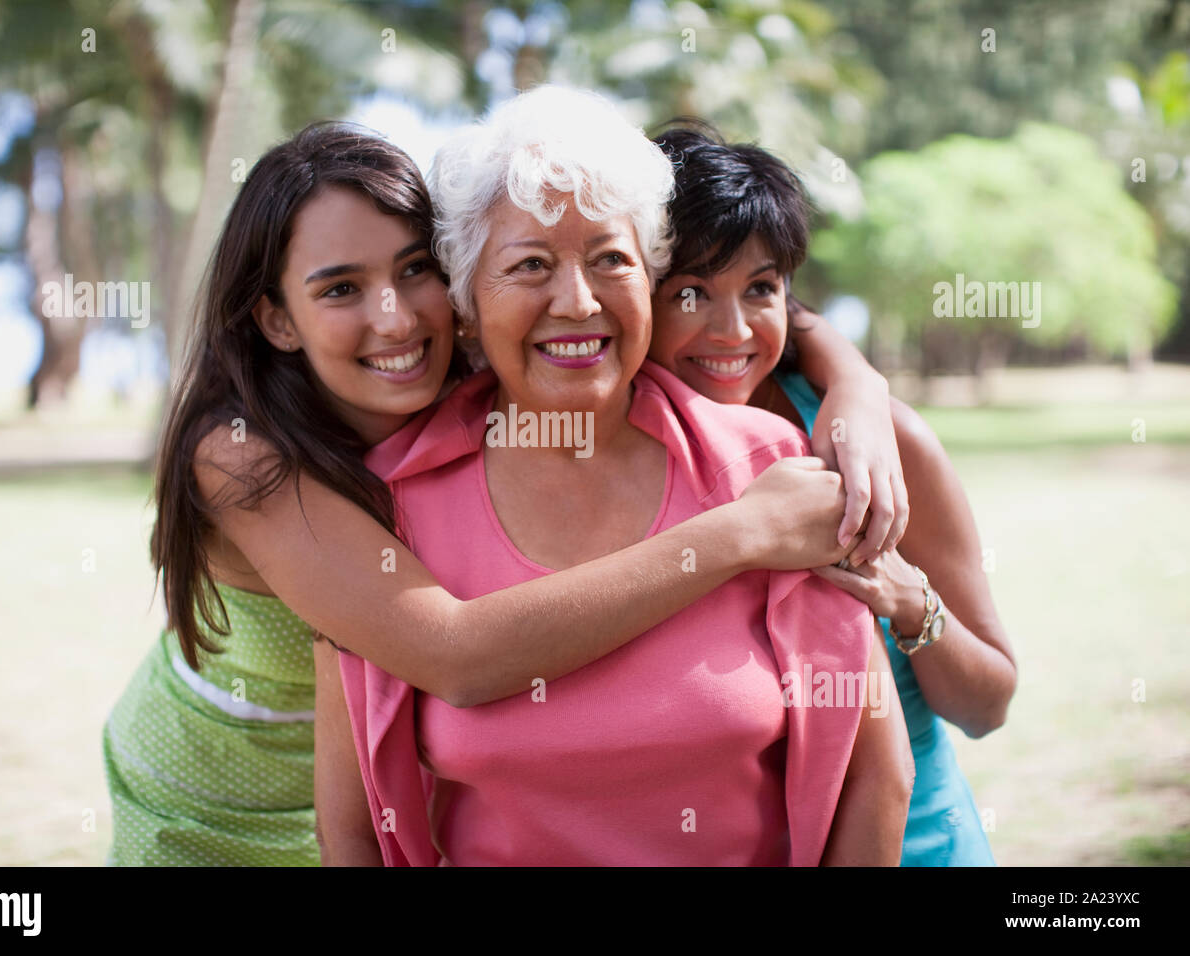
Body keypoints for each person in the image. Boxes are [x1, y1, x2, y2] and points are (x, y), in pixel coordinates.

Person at [103, 122, 898, 865]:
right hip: (208, 799)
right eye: (339, 289)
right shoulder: (247, 459)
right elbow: (455, 654)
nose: (395, 316)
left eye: (413, 270)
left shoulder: (464, 373)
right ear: (276, 319)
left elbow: (761, 307)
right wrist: (737, 536)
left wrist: (857, 384)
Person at [322, 85, 914, 867]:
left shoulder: (769, 465)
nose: (577, 301)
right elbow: (353, 827)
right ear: (464, 303)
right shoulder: (389, 502)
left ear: (650, 279)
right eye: (530, 265)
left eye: (610, 260)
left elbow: (876, 776)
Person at [647, 124, 1017, 865]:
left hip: (920, 844)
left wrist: (911, 603)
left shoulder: (879, 444)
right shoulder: (614, 452)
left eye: (760, 289)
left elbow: (990, 704)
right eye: (690, 291)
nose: (732, 329)